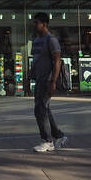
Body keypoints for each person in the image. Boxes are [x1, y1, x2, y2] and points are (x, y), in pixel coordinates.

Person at [29, 13, 68, 152]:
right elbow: (35, 60)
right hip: (39, 80)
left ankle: (48, 141)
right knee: (44, 109)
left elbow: (57, 61)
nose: (34, 25)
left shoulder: (51, 40)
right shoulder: (36, 40)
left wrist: (53, 81)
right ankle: (58, 135)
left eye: (36, 22)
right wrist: (30, 76)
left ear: (44, 24)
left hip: (48, 80)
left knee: (40, 109)